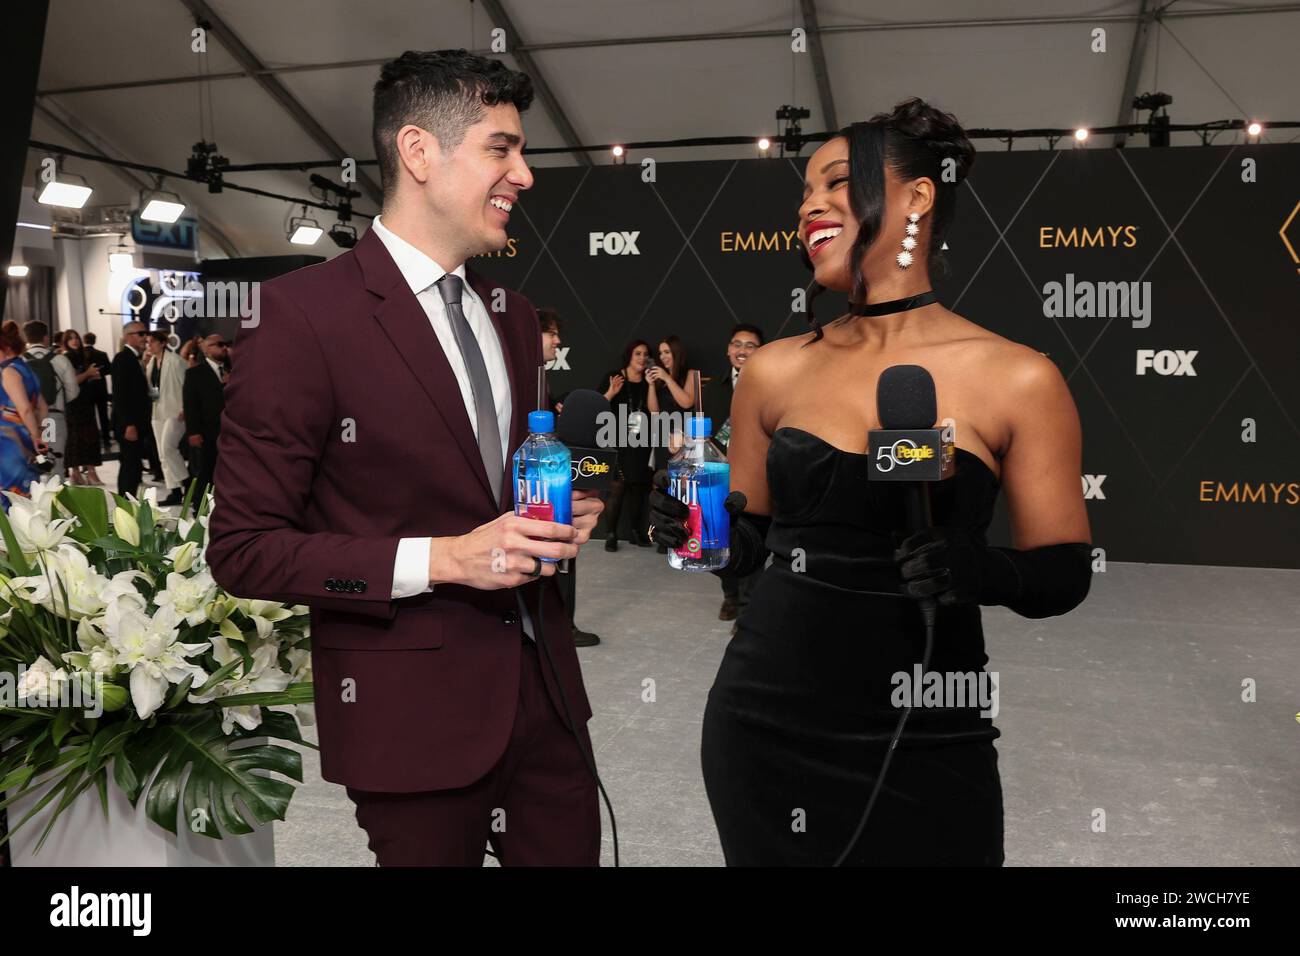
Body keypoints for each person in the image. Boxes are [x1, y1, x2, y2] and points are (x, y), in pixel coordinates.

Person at [650, 98, 1093, 866]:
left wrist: (981, 569)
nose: (807, 207)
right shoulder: (774, 367)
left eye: (833, 183)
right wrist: (693, 529)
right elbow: (747, 546)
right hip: (763, 722)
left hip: (929, 729)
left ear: (918, 196)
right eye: (802, 193)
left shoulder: (1021, 377)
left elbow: (1062, 572)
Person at [206, 49, 604, 867]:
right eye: (502, 148)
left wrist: (561, 515)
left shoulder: (516, 315)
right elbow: (244, 551)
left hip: (551, 707)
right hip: (411, 721)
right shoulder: (301, 318)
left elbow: (501, 486)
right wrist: (445, 560)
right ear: (419, 153)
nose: (524, 174)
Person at [539, 308, 600, 648]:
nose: (558, 341)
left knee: (563, 551)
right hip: (537, 489)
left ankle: (562, 625)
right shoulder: (521, 376)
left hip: (554, 484)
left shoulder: (540, 379)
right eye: (550, 333)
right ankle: (560, 627)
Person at [701, 323, 765, 622]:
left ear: (761, 352)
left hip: (756, 475)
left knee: (754, 537)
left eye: (750, 346)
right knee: (720, 535)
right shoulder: (713, 387)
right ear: (729, 350)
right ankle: (730, 596)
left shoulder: (769, 386)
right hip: (719, 474)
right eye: (737, 344)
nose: (742, 351)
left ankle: (749, 607)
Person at [598, 339, 655, 551]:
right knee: (617, 487)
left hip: (641, 442)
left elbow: (655, 411)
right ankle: (610, 534)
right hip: (615, 440)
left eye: (645, 354)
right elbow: (598, 406)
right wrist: (611, 392)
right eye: (637, 353)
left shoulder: (650, 381)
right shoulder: (615, 377)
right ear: (629, 355)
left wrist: (651, 386)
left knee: (639, 488)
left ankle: (635, 531)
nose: (641, 358)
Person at [21, 320, 84, 480]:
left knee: (28, 465)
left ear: (25, 337)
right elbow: (73, 391)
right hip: (52, 418)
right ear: (46, 337)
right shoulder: (60, 360)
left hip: (26, 420)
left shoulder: (20, 361)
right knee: (54, 465)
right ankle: (54, 502)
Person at [0, 321, 48, 506]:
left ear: (6, 348)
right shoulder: (25, 368)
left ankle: (9, 534)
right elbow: (42, 407)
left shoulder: (9, 372)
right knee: (25, 494)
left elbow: (25, 408)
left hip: (9, 443)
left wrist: (36, 436)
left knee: (10, 496)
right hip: (26, 439)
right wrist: (40, 435)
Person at [182, 334, 228, 506]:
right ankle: (198, 506)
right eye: (219, 344)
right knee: (205, 471)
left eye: (225, 344)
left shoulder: (233, 370)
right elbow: (190, 405)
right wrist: (193, 431)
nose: (224, 348)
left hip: (229, 431)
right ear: (207, 349)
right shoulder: (194, 373)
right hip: (206, 431)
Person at [109, 322, 152, 497]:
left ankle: (129, 507)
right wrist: (129, 424)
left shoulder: (133, 359)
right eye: (140, 333)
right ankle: (125, 509)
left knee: (133, 467)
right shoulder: (123, 359)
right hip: (129, 424)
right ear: (128, 336)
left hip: (136, 422)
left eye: (145, 333)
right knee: (129, 466)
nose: (145, 337)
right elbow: (120, 395)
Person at [145, 331, 187, 506]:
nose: (149, 346)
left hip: (175, 411)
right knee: (162, 454)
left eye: (152, 342)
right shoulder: (151, 363)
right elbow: (152, 388)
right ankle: (175, 491)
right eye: (148, 342)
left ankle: (187, 481)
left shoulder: (176, 361)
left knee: (168, 447)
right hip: (157, 411)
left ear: (163, 343)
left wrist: (185, 408)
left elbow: (186, 385)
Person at [57, 329, 104, 486]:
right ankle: (76, 473)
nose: (74, 341)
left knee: (89, 436)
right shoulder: (65, 358)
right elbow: (70, 383)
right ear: (65, 342)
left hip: (86, 401)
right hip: (73, 404)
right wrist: (87, 374)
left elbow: (82, 380)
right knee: (75, 438)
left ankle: (89, 472)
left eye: (76, 337)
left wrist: (91, 376)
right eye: (70, 338)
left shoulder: (83, 356)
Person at [82, 331, 112, 453]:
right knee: (103, 414)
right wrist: (99, 373)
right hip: (100, 387)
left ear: (84, 340)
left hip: (86, 388)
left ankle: (92, 439)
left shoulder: (80, 355)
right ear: (94, 341)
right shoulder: (102, 354)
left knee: (90, 416)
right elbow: (109, 369)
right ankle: (106, 438)